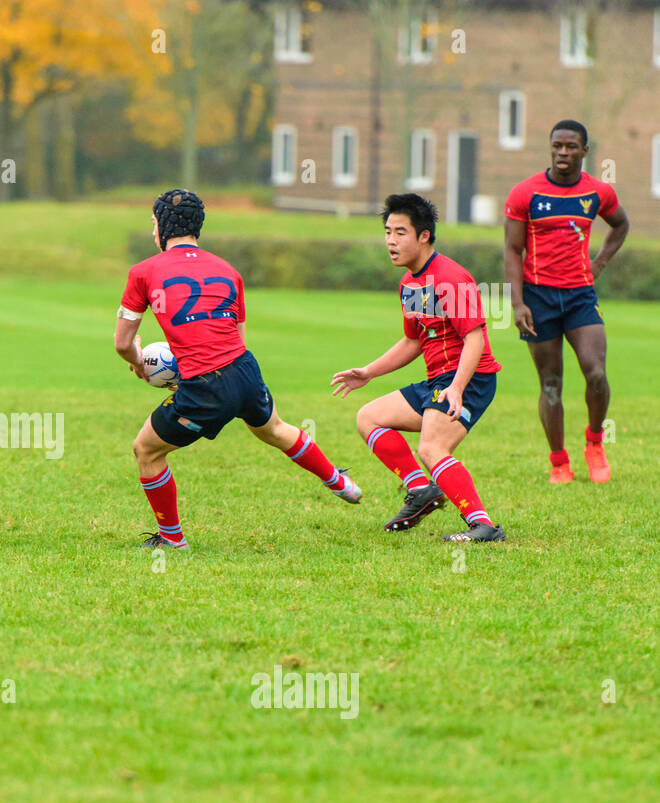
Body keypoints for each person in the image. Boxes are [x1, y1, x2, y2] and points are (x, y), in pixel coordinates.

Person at [116, 188, 362, 550]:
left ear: (160, 227)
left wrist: (139, 362)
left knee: (147, 450)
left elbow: (123, 344)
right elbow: (235, 338)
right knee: (275, 429)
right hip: (244, 371)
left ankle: (172, 539)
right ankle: (339, 482)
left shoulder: (144, 272)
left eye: (152, 222)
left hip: (205, 385)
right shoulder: (229, 271)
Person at [332, 193, 505, 543]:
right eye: (387, 232)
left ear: (423, 236)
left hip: (470, 380)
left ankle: (484, 526)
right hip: (438, 381)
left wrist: (456, 388)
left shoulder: (450, 277)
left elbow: (475, 339)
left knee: (431, 448)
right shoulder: (410, 283)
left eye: (399, 233)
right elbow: (413, 341)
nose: (390, 241)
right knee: (368, 417)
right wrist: (368, 372)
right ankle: (422, 490)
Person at [504, 119, 628, 484]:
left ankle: (594, 443)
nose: (563, 152)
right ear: (550, 147)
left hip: (579, 296)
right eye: (557, 145)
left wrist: (599, 262)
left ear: (584, 151)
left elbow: (620, 225)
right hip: (538, 297)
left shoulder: (597, 193)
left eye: (571, 146)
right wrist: (517, 303)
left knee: (596, 374)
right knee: (551, 385)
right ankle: (559, 461)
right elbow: (512, 249)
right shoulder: (525, 193)